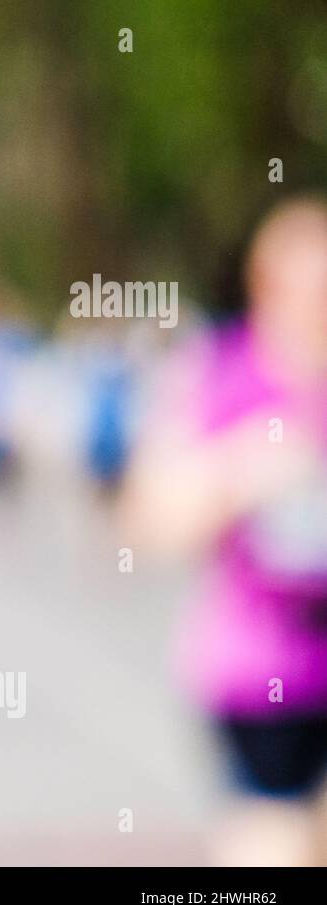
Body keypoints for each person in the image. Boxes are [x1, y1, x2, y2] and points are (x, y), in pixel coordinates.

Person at [125, 197, 327, 865]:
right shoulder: (217, 371)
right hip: (262, 676)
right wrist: (245, 474)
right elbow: (149, 518)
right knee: (270, 851)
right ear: (263, 284)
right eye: (304, 286)